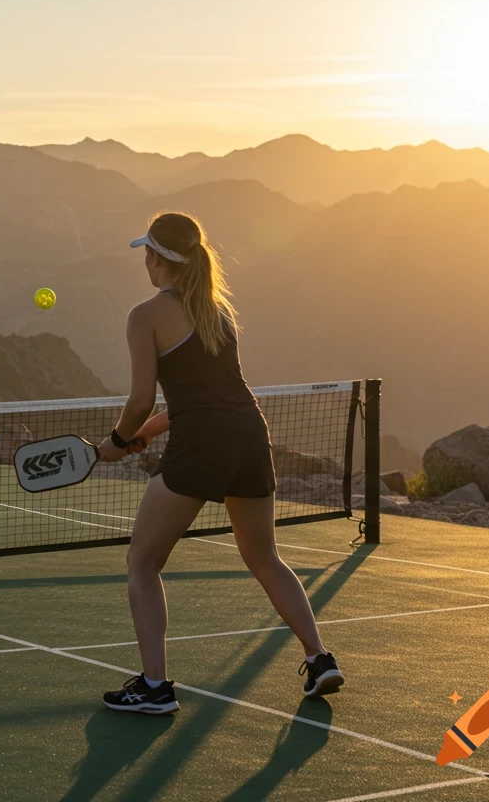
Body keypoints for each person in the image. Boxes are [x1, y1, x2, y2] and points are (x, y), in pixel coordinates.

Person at [98, 212, 342, 714]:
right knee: (264, 557)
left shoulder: (144, 316)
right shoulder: (218, 311)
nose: (143, 259)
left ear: (156, 258)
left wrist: (118, 439)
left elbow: (142, 397)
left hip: (204, 443)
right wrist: (141, 438)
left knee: (142, 562)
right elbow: (203, 397)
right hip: (249, 435)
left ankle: (154, 687)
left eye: (146, 251)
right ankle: (319, 658)